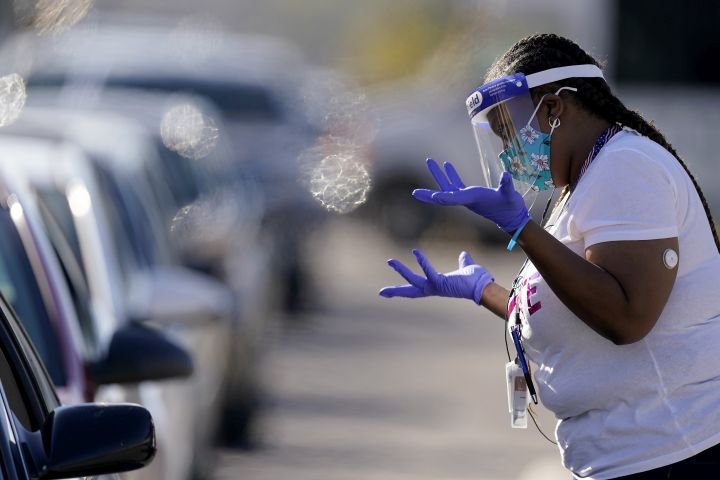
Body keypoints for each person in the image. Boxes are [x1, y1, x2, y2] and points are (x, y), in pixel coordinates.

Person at [378, 34, 720, 479]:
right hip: (628, 454)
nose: (507, 153)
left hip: (673, 451)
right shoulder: (580, 182)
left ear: (555, 109)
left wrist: (523, 231)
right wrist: (488, 292)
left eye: (510, 133)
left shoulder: (626, 165)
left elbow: (626, 317)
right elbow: (576, 298)